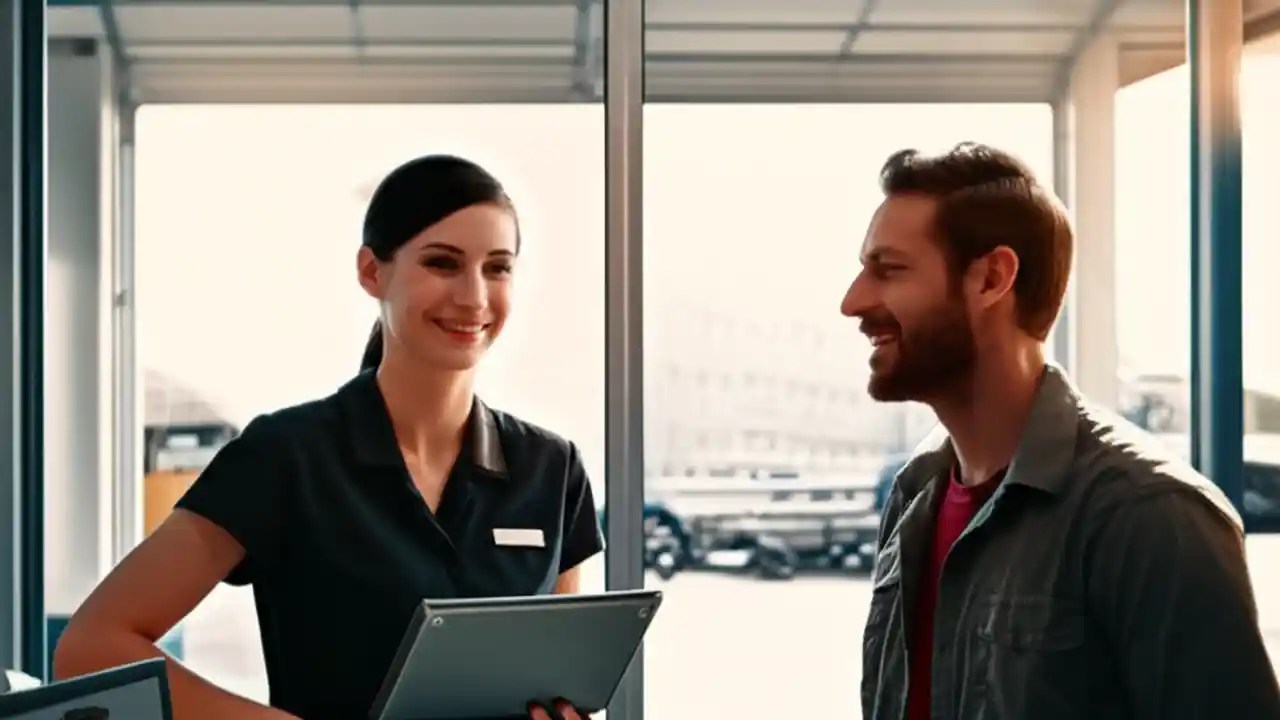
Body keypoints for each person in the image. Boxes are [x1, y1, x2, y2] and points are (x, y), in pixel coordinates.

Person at [52, 155, 604, 720]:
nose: (474, 297)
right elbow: (90, 649)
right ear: (372, 272)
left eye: (497, 268)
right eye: (443, 263)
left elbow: (554, 684)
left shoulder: (552, 469)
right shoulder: (285, 457)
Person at [843, 142, 1280, 720]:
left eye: (888, 270)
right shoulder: (913, 495)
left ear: (991, 278)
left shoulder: (1150, 515)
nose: (854, 302)